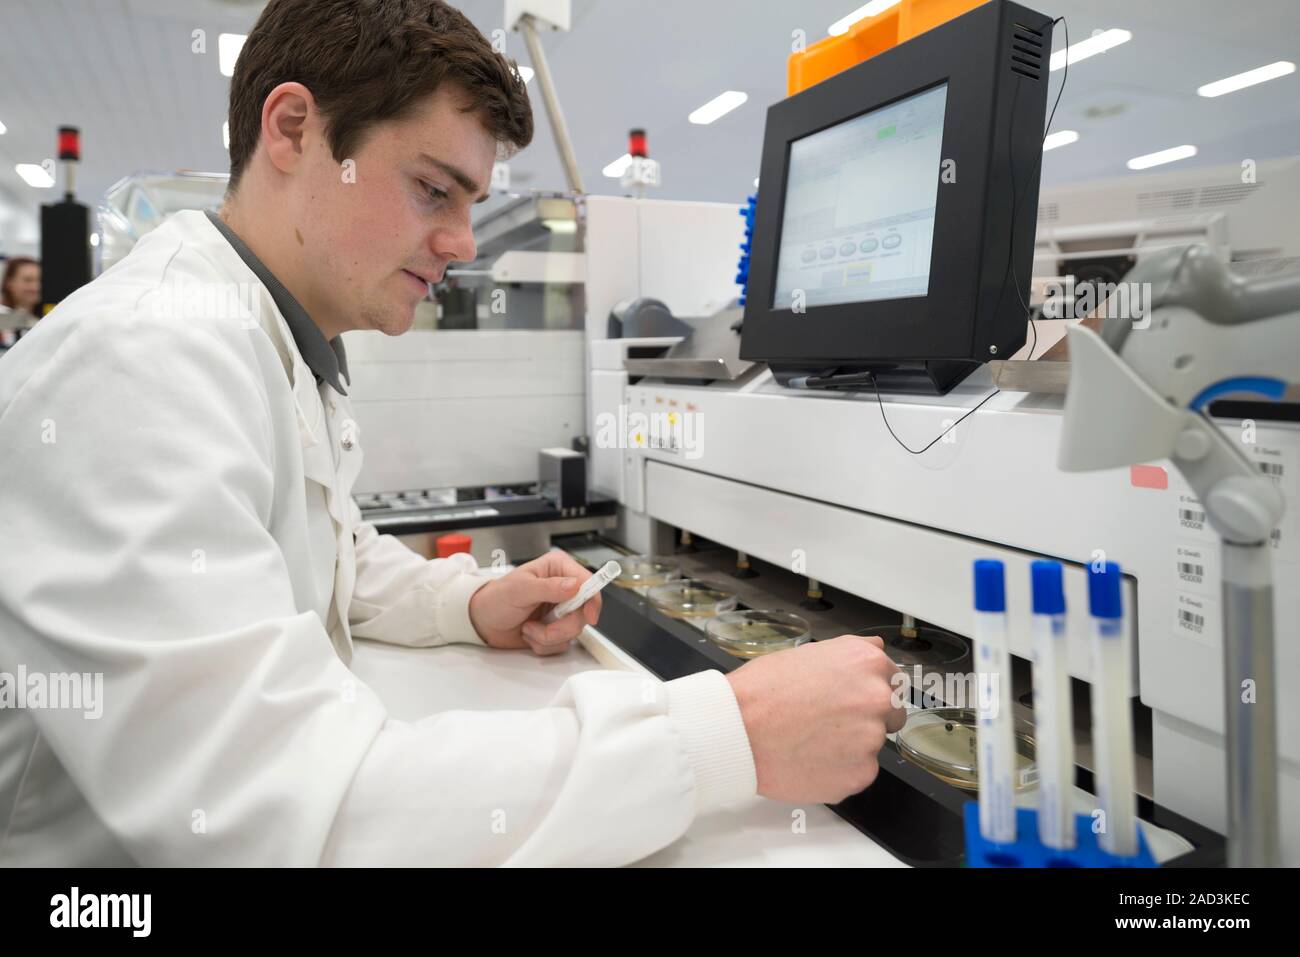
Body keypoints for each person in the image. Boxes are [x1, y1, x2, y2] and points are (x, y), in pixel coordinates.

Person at [0, 0, 905, 866]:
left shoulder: (266, 333)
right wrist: (725, 734)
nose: (464, 242)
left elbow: (323, 552)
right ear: (292, 129)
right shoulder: (142, 359)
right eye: (435, 189)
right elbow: (292, 815)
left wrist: (464, 602)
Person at [0, 256, 40, 351]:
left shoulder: (48, 318)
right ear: (9, 283)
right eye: (28, 280)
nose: (35, 287)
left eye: (40, 280)